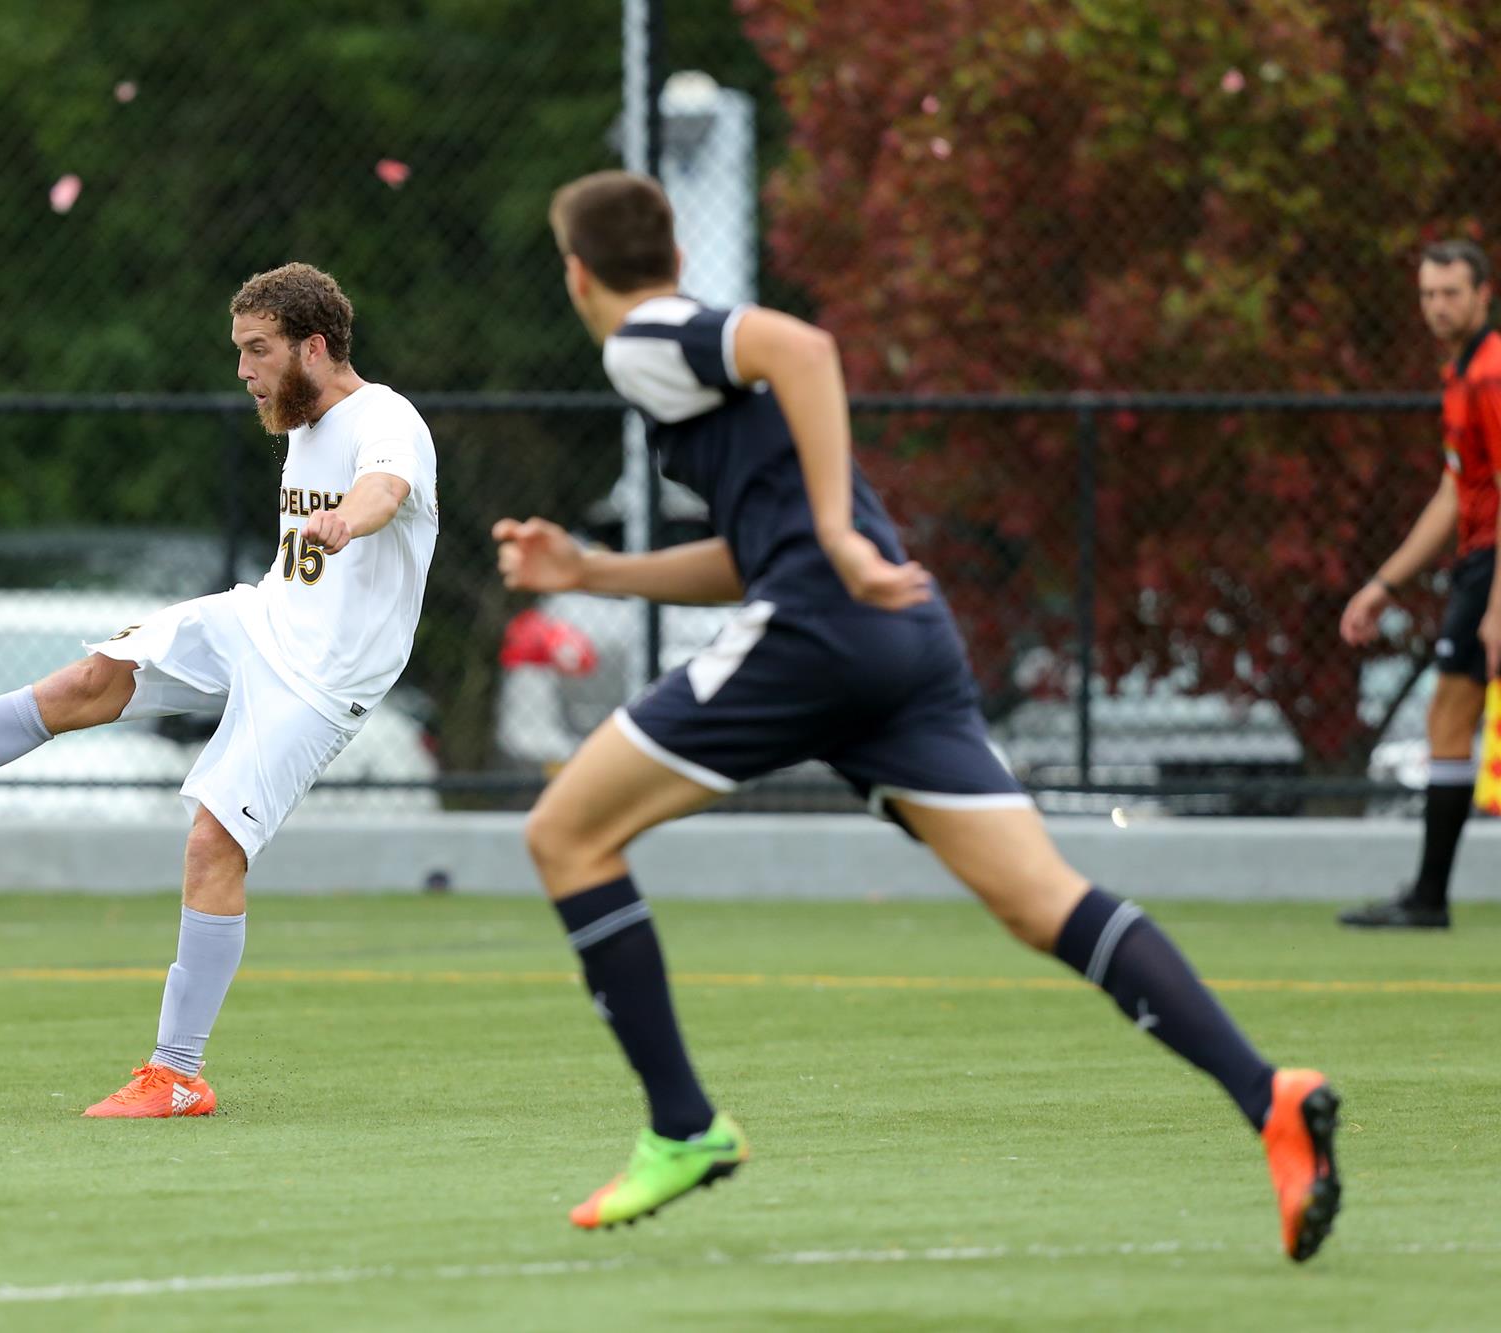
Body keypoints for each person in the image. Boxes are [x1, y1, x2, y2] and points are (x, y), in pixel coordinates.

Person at [492, 170, 1340, 1261]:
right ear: (678, 255)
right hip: (898, 637)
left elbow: (804, 348)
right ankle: (1269, 1097)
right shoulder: (692, 366)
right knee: (1044, 902)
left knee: (565, 833)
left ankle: (683, 1125)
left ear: (576, 275)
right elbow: (752, 549)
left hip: (816, 630)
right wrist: (593, 570)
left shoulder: (638, 341)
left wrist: (837, 537)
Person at [0, 263, 438, 1117]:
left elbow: (385, 486)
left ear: (314, 347)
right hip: (262, 617)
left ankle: (178, 1074)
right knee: (88, 680)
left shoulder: (386, 417)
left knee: (213, 844)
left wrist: (348, 517)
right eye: (239, 350)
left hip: (321, 678)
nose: (243, 370)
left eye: (257, 350)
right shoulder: (304, 420)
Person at [1337, 239, 1499, 930]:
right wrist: (1385, 582)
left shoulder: (1491, 374)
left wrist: (1498, 607)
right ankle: (1429, 898)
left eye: (1451, 293)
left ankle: (1430, 898)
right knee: (1449, 719)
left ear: (1484, 294)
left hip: (1494, 565)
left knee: (1451, 716)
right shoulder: (1460, 376)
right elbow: (1454, 491)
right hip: (1480, 561)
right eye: (1428, 294)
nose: (1438, 306)